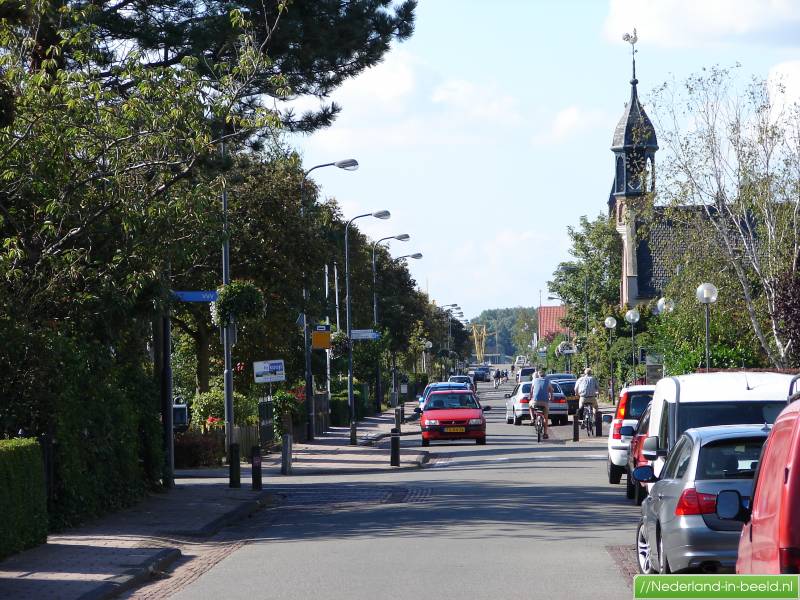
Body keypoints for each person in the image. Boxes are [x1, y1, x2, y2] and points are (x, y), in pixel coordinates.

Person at [529, 370, 552, 439]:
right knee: (545, 417)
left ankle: (532, 418)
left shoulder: (534, 380)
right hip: (544, 402)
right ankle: (545, 433)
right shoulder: (548, 381)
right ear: (545, 375)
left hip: (535, 401)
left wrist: (530, 397)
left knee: (530, 405)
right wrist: (551, 396)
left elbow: (531, 391)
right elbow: (551, 390)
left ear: (538, 375)